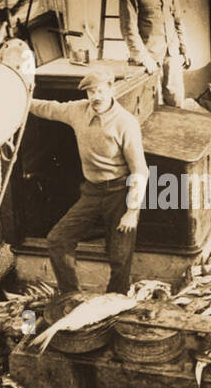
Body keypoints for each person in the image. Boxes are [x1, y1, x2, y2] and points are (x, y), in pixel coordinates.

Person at [28, 65, 148, 295]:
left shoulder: (126, 123)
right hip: (92, 192)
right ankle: (71, 295)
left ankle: (116, 300)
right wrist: (23, 102)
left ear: (111, 89)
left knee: (120, 257)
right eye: (91, 92)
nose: (96, 97)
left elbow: (140, 171)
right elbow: (49, 108)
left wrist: (132, 211)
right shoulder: (78, 111)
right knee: (57, 240)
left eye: (101, 91)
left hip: (120, 193)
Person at [119, 0, 190, 107]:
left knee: (176, 100)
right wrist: (144, 59)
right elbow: (128, 29)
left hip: (171, 53)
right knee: (150, 104)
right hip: (149, 57)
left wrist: (184, 49)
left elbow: (178, 19)